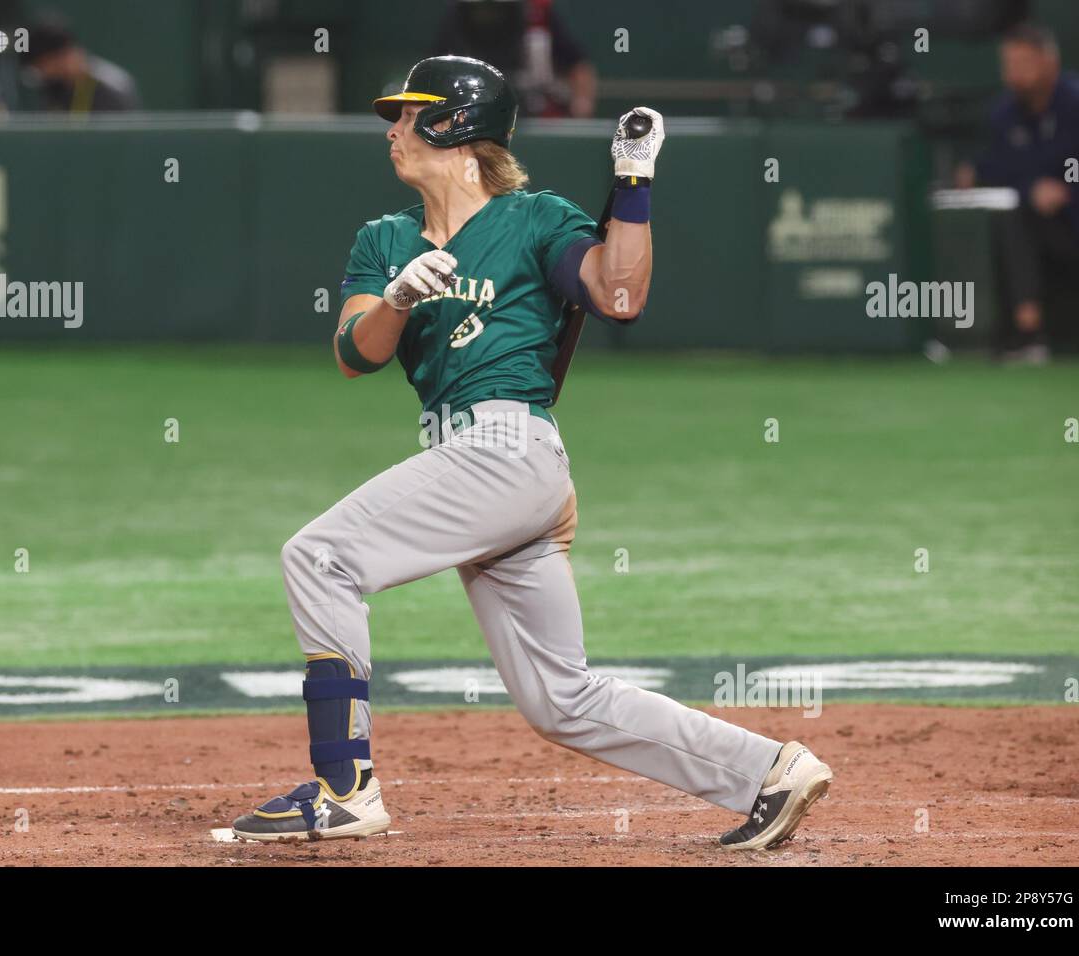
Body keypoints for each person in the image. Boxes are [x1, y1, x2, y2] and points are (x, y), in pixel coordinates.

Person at [230, 55, 832, 851]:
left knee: (319, 558)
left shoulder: (534, 220)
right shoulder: (384, 240)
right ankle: (770, 770)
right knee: (561, 700)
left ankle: (344, 789)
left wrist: (634, 183)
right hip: (478, 466)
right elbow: (353, 351)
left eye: (407, 115)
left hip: (510, 449)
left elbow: (619, 296)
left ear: (453, 124)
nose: (393, 129)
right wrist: (400, 297)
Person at [957, 22, 1079, 360]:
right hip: (1048, 228)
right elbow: (996, 165)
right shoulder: (1004, 114)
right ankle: (1028, 333)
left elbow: (1066, 163)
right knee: (1014, 213)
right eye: (1009, 65)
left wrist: (1061, 187)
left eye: (1024, 63)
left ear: (1050, 63)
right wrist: (1031, 184)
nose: (1014, 74)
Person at [432, 0, 596, 117]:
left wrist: (581, 105)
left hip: (536, 116)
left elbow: (578, 67)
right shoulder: (455, 16)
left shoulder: (539, 14)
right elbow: (434, 73)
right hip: (471, 119)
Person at [18, 11, 141, 113]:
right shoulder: (54, 87)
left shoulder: (109, 88)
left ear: (61, 56)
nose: (42, 72)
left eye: (43, 65)